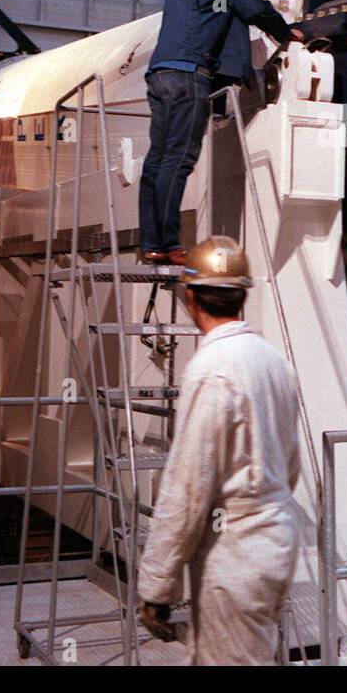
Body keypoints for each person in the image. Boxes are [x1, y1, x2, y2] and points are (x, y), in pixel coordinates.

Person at [135, 235, 302, 664]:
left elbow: (189, 487)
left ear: (190, 298)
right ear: (242, 298)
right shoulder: (273, 360)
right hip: (275, 542)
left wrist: (157, 584)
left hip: (237, 553)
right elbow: (292, 462)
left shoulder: (211, 371)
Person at [140, 0, 304, 263]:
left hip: (162, 74)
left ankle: (153, 243)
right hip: (188, 77)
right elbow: (251, 3)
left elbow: (223, 10)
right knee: (179, 158)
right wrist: (285, 32)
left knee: (157, 161)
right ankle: (168, 244)